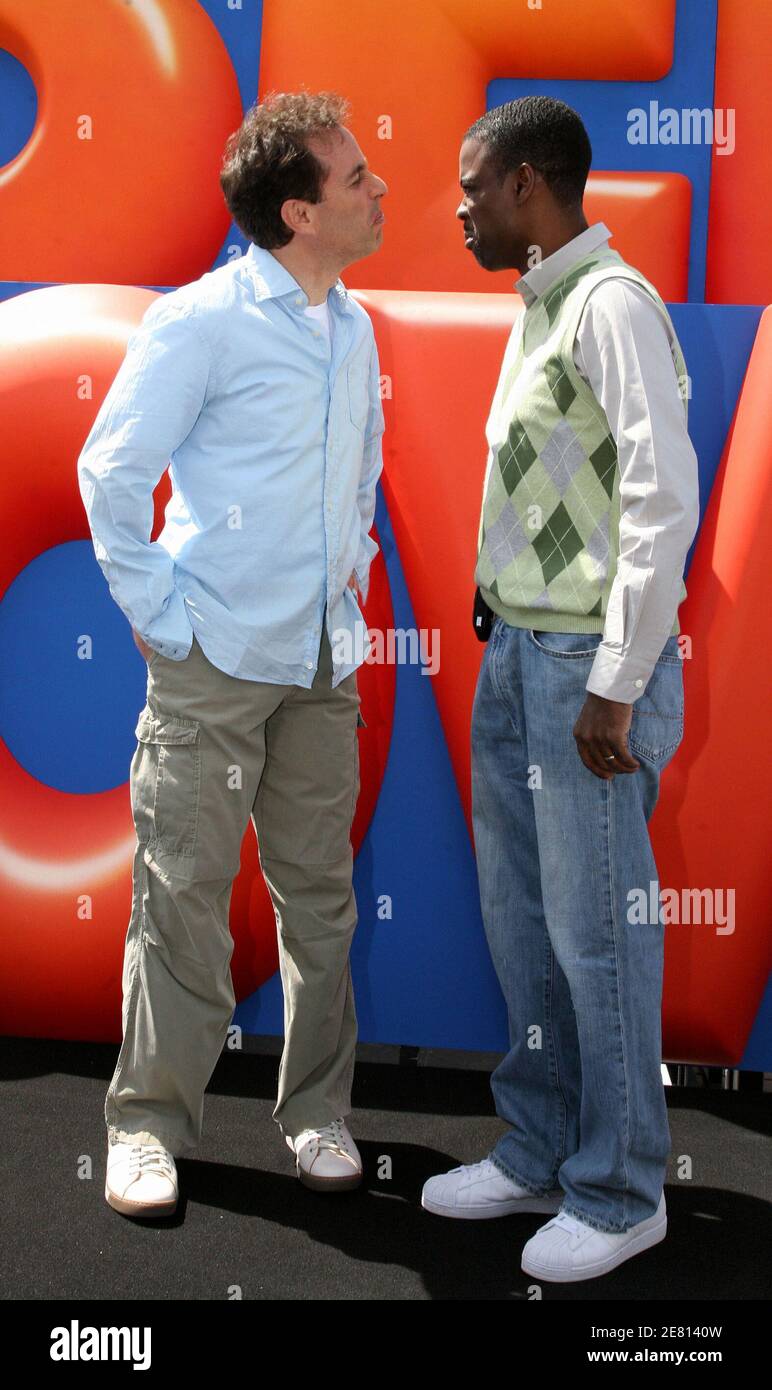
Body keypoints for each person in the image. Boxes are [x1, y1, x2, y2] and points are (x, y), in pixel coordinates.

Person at [77, 90, 387, 1216]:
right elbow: (109, 474)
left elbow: (354, 485)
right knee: (184, 894)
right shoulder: (199, 320)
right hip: (212, 663)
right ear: (299, 209)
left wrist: (343, 583)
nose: (376, 187)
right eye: (354, 177)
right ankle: (147, 1126)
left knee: (322, 901)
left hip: (319, 665)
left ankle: (314, 1116)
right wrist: (170, 622)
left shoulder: (354, 327)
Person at [422, 96, 700, 1282]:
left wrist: (615, 684)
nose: (460, 207)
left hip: (587, 676)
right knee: (528, 933)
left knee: (597, 943)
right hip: (520, 658)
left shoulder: (610, 306)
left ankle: (623, 1187)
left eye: (474, 186)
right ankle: (540, 1148)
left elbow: (659, 501)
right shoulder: (540, 306)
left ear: (529, 186)